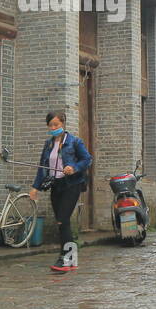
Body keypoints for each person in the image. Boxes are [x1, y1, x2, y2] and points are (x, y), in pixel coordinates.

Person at [29, 110, 93, 272]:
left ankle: (64, 258)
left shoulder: (74, 142)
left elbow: (87, 159)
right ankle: (72, 259)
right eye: (50, 125)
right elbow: (41, 168)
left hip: (71, 185)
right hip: (55, 185)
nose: (53, 127)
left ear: (63, 124)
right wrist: (35, 187)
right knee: (62, 223)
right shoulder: (48, 144)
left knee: (62, 220)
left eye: (56, 124)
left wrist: (74, 167)